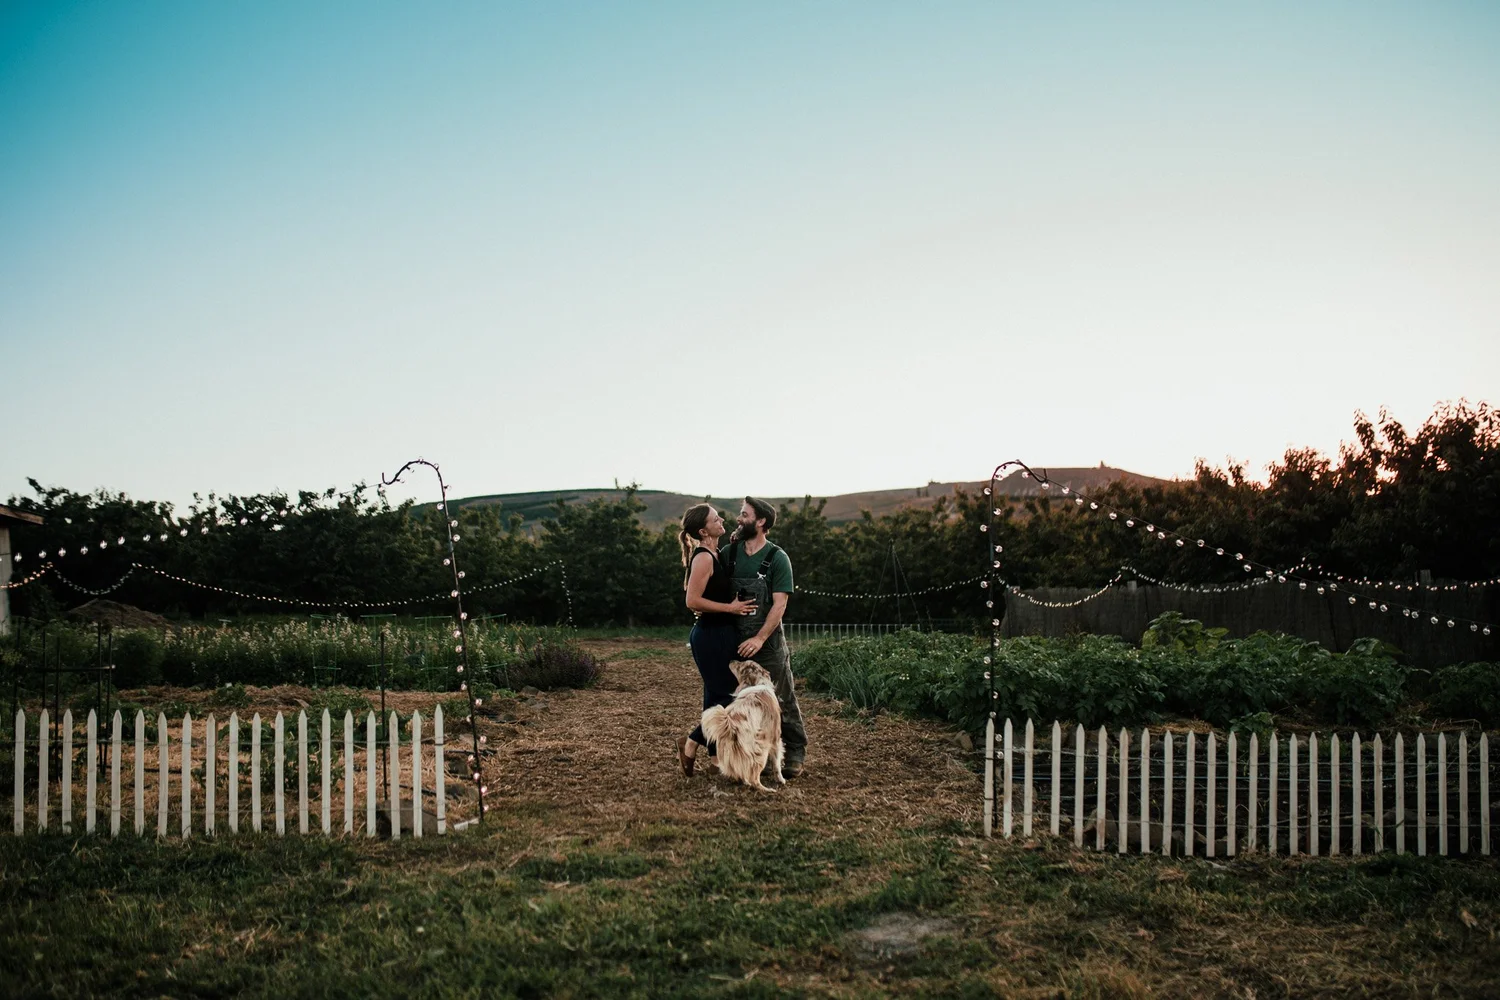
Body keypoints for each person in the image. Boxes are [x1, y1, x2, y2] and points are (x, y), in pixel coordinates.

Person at [721, 496, 806, 777]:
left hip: (767, 644)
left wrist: (758, 638)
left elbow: (780, 605)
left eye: (744, 515)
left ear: (761, 522)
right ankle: (744, 755)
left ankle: (794, 752)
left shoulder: (777, 558)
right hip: (733, 640)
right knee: (738, 700)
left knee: (781, 698)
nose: (738, 519)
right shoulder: (729, 553)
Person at [676, 503, 756, 776]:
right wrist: (731, 608)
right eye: (715, 518)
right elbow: (692, 600)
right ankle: (691, 741)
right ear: (702, 530)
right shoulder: (704, 558)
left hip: (722, 632)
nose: (721, 519)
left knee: (714, 695)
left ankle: (715, 760)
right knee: (727, 698)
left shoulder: (716, 553)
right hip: (710, 635)